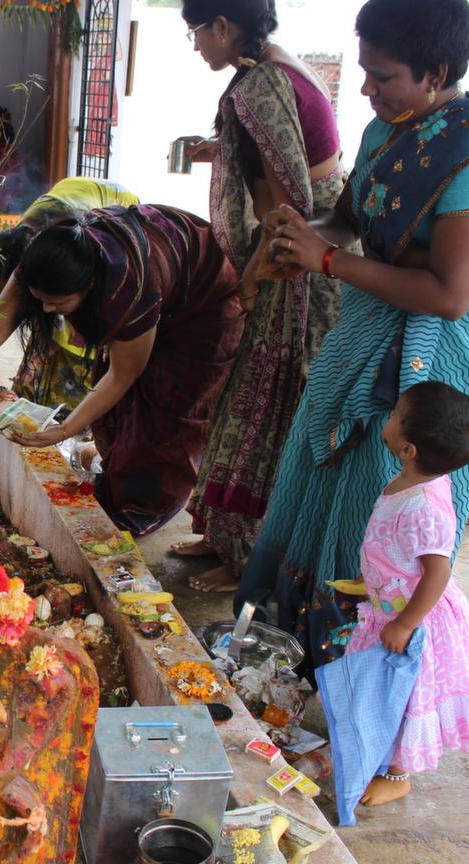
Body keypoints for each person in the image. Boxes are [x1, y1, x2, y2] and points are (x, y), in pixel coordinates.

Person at [237, 0, 469, 669]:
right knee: (314, 463)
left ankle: (367, 664)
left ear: (436, 72)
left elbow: (452, 294)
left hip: (454, 341)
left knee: (387, 493)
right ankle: (293, 645)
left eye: (383, 76)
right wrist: (302, 237)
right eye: (366, 73)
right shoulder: (387, 128)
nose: (366, 89)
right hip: (377, 314)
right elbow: (347, 219)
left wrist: (328, 261)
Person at [0, 204, 244, 535]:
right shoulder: (43, 261)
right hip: (163, 286)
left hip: (204, 308)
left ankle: (141, 510)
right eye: (39, 299)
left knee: (164, 415)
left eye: (58, 303)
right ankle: (115, 481)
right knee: (121, 417)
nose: (46, 309)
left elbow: (121, 376)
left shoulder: (127, 289)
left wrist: (64, 429)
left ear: (90, 288)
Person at [170, 0, 345, 593]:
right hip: (295, 254)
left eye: (196, 32)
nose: (195, 46)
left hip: (295, 266)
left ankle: (248, 558)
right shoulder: (269, 71)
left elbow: (290, 195)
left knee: (264, 410)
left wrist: (257, 275)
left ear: (224, 26)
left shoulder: (264, 83)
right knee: (242, 398)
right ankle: (222, 533)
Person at [342, 382, 469, 807]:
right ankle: (377, 753)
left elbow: (437, 571)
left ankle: (398, 775)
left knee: (405, 697)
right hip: (391, 609)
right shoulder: (413, 482)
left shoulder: (423, 506)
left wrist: (406, 622)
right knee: (379, 691)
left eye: (394, 415)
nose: (387, 419)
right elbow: (401, 554)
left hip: (416, 624)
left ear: (408, 448)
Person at [0, 177, 141, 408]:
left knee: (71, 336)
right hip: (71, 198)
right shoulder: (19, 239)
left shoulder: (85, 247)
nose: (43, 306)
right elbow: (1, 314)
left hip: (110, 213)